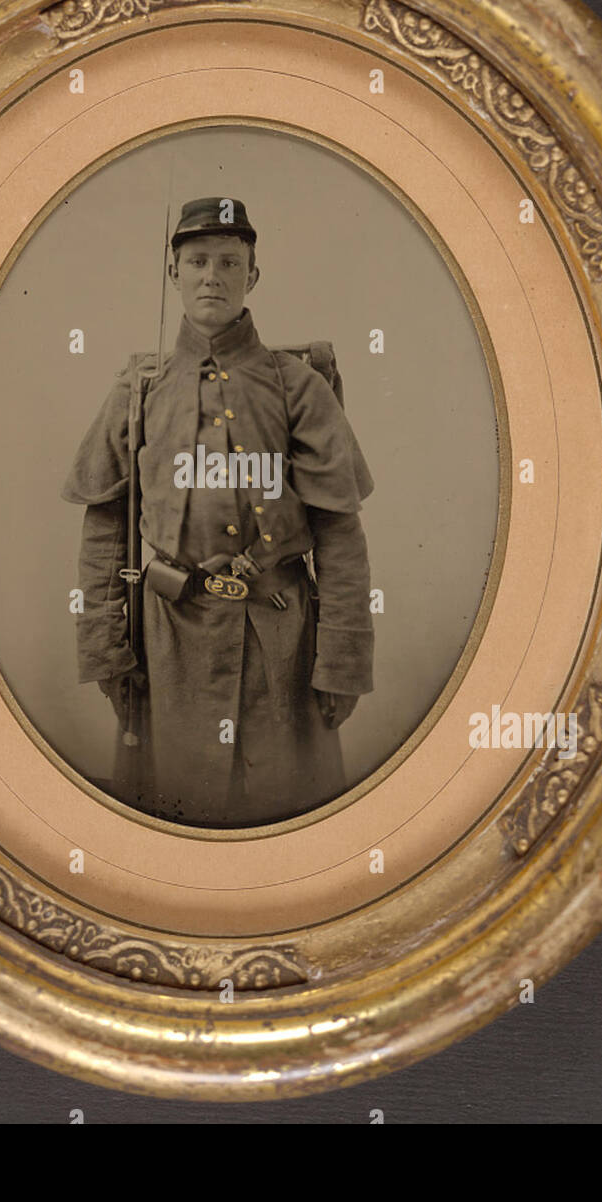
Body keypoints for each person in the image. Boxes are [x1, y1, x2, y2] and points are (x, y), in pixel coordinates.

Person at [62, 197, 374, 827]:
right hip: (168, 641)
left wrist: (340, 663)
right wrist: (107, 652)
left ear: (252, 276)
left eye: (229, 263)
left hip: (281, 641)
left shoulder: (298, 384)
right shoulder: (139, 388)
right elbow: (105, 531)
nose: (212, 276)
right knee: (176, 818)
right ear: (172, 272)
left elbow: (340, 534)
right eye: (197, 261)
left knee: (286, 819)